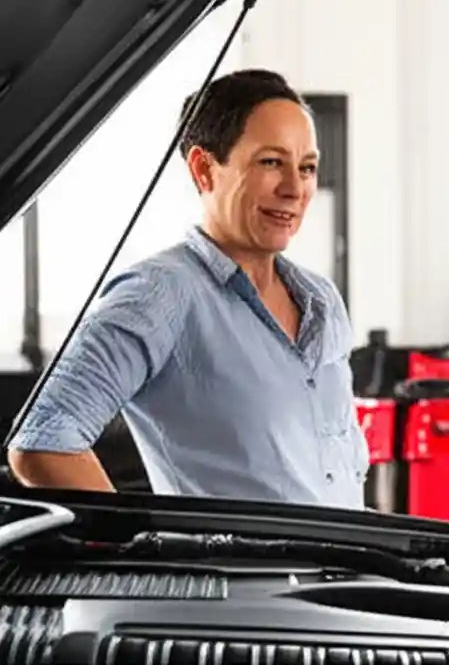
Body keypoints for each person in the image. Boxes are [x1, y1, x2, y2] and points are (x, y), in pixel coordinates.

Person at [7, 69, 369, 509]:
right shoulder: (160, 294)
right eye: (271, 162)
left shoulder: (322, 300)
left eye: (307, 167)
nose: (295, 189)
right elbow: (45, 441)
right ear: (203, 169)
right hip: (244, 578)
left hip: (350, 573)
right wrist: (138, 551)